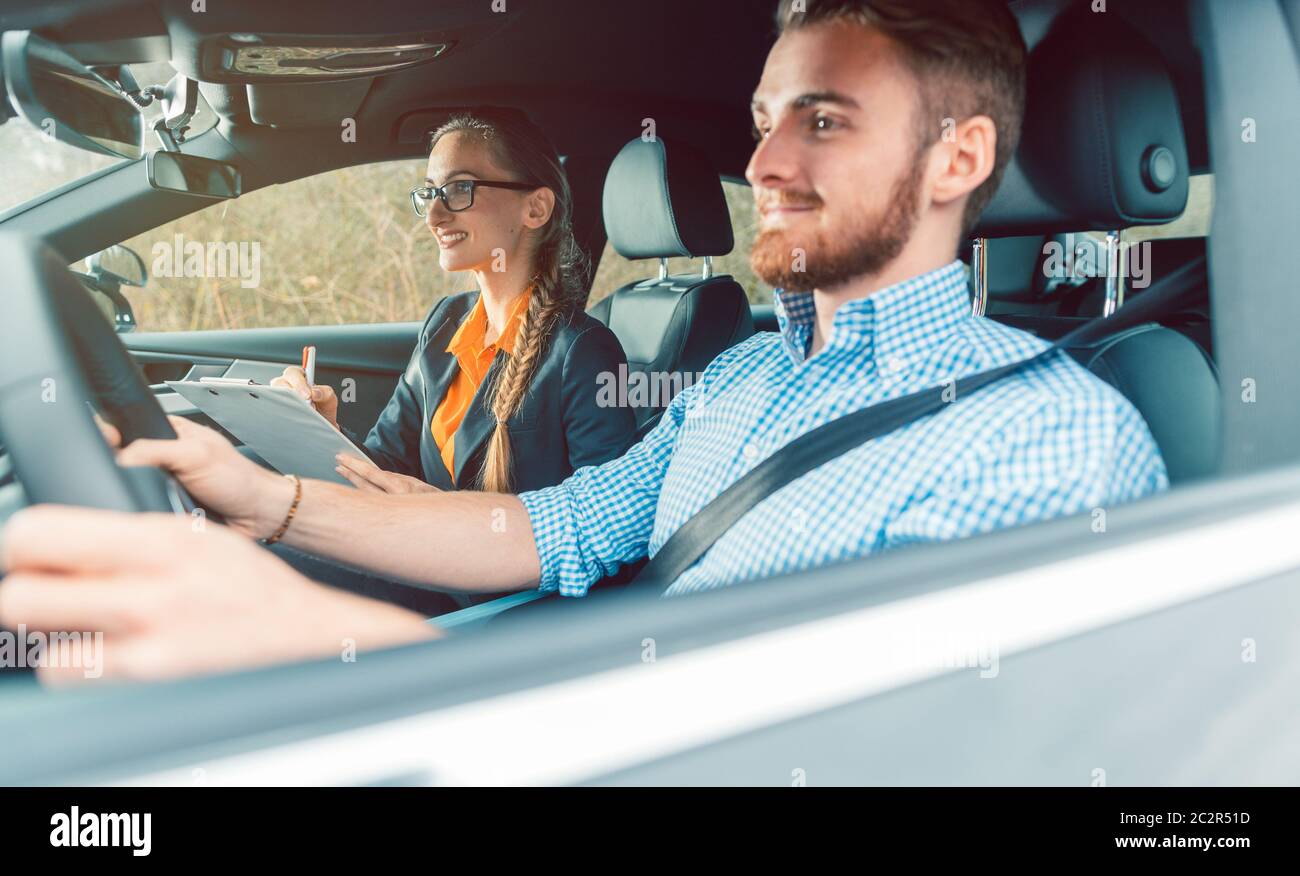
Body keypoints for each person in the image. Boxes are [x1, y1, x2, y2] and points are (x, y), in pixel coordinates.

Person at [0, 0, 1168, 683]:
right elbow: (546, 530)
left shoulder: (1047, 443)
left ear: (957, 160)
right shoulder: (749, 371)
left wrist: (333, 655)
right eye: (764, 123)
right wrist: (266, 502)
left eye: (822, 122)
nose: (761, 167)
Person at [276, 109, 635, 496]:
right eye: (430, 192)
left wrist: (445, 515)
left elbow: (607, 528)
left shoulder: (582, 351)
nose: (434, 214)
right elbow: (387, 465)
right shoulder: (445, 322)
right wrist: (321, 430)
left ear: (535, 208)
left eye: (459, 189)